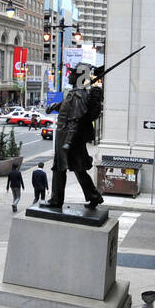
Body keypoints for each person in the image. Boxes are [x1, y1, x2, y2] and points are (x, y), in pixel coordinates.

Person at [47, 62, 106, 209]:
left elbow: (75, 119)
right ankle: (94, 197)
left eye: (73, 73)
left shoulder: (79, 95)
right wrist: (55, 106)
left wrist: (68, 142)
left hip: (68, 138)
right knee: (79, 170)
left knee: (60, 169)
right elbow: (68, 105)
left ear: (79, 76)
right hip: (69, 138)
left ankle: (56, 200)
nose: (70, 75)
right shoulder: (76, 93)